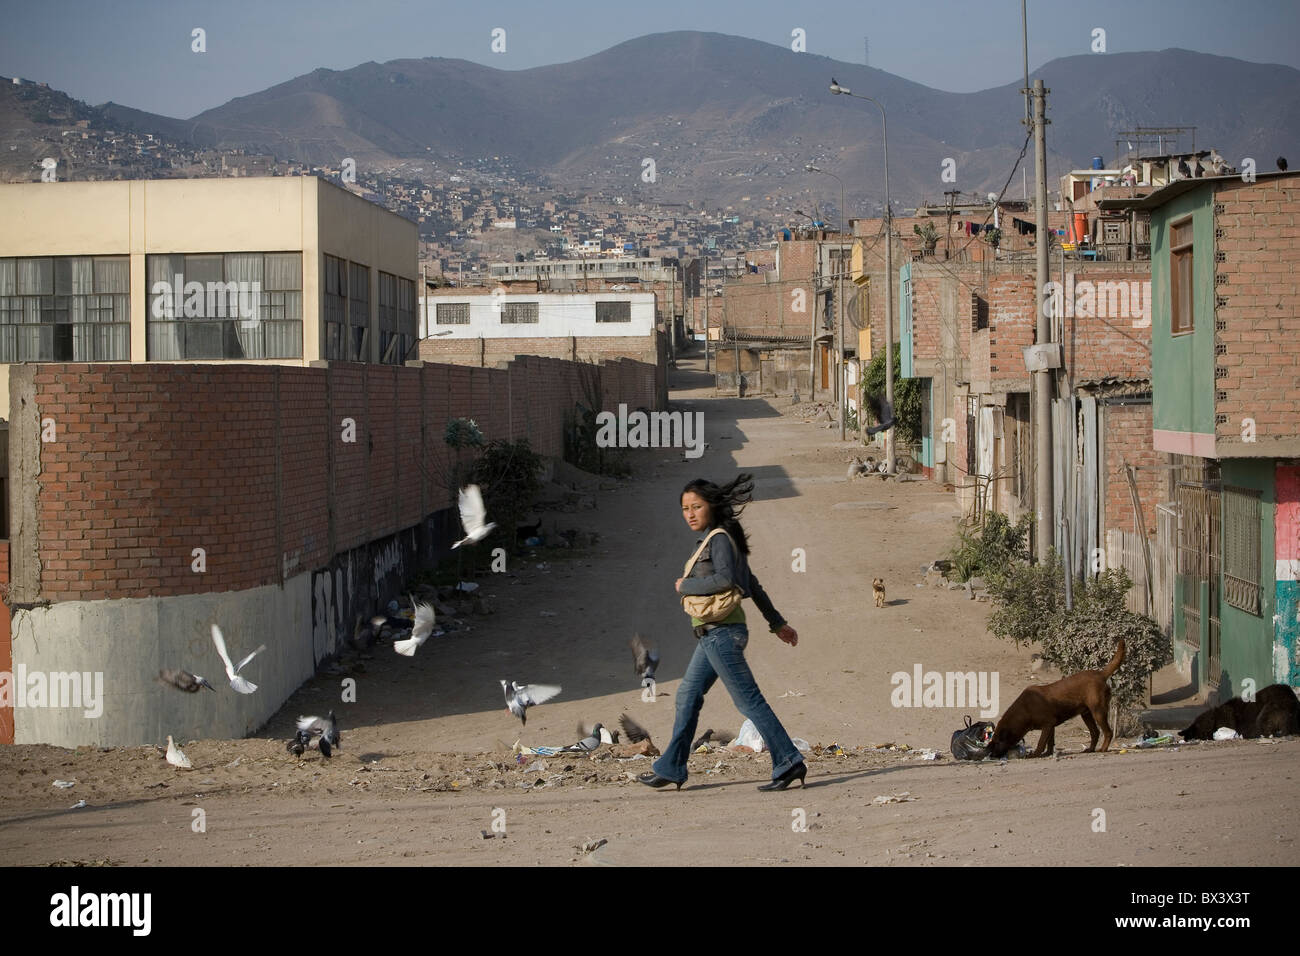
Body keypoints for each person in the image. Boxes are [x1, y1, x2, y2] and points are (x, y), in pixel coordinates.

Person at [639, 474, 807, 792]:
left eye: (696, 506)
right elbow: (752, 584)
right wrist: (777, 624)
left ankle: (788, 761)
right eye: (685, 508)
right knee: (687, 697)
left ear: (711, 507)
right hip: (712, 636)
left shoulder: (718, 540)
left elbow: (727, 581)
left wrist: (684, 585)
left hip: (722, 634)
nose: (689, 513)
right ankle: (672, 767)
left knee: (749, 701)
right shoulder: (724, 538)